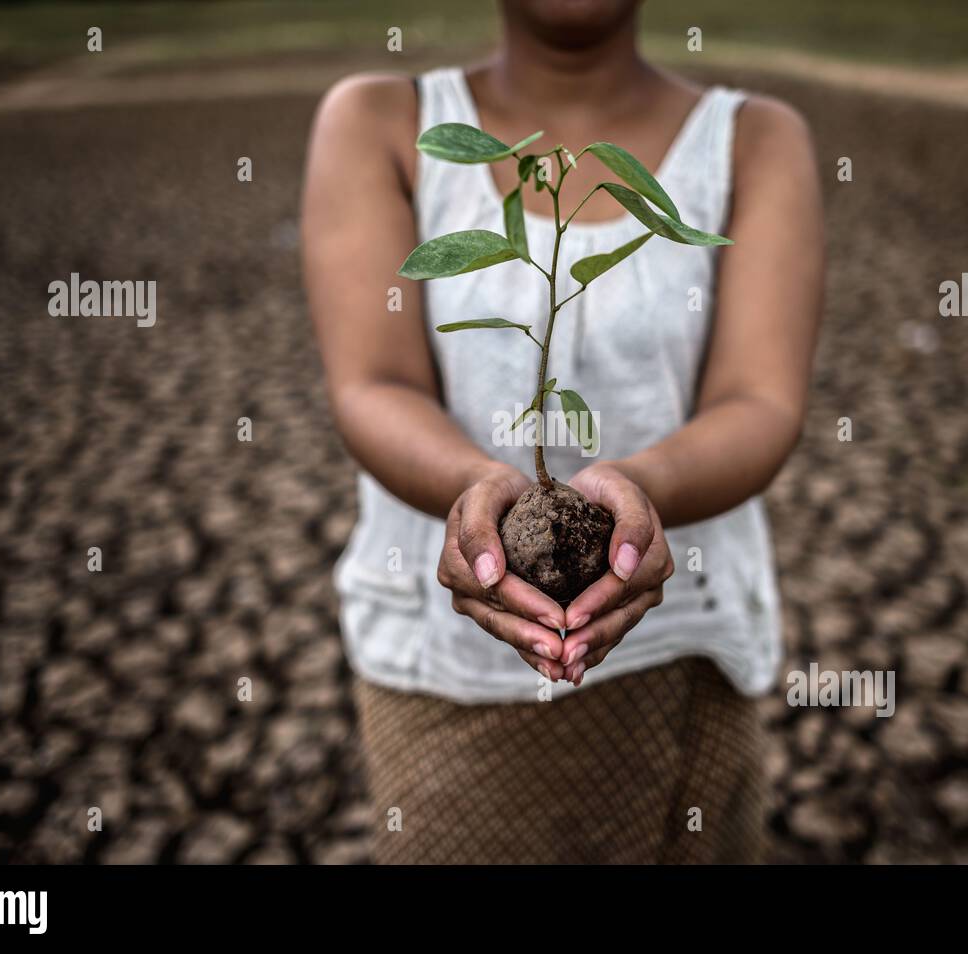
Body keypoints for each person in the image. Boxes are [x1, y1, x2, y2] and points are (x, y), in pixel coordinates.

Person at [301, 0, 823, 863]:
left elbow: (761, 402)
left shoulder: (753, 138)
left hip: (683, 650)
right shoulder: (381, 120)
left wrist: (643, 489)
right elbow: (371, 383)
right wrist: (479, 492)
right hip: (449, 676)